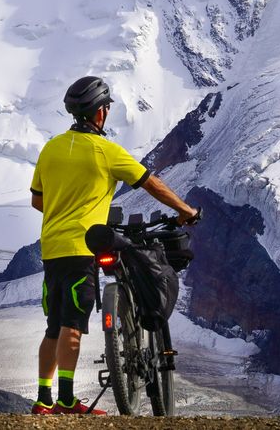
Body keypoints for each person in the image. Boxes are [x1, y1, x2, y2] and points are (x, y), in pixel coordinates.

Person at [29, 75, 200, 415]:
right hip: (82, 248)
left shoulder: (51, 148)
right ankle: (66, 400)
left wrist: (65, 207)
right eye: (106, 107)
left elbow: (37, 200)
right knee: (72, 325)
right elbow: (151, 183)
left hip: (51, 248)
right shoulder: (106, 151)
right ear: (100, 112)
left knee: (53, 327)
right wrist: (186, 211)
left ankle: (43, 399)